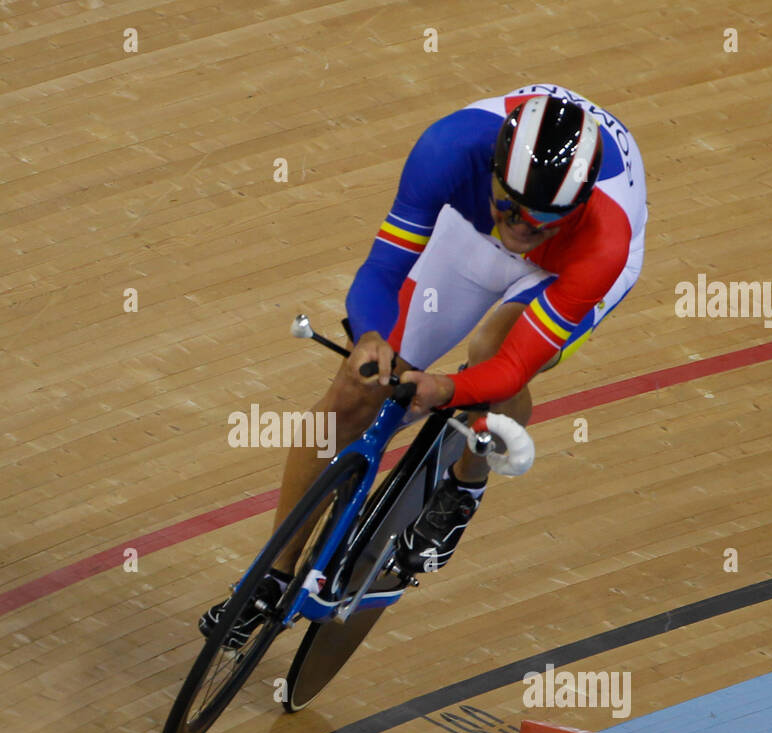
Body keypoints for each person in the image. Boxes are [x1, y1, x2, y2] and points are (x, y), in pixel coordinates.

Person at [203, 84, 647, 645]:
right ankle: (271, 574)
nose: (520, 226)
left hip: (563, 272)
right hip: (469, 232)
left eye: (541, 219)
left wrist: (444, 387)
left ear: (577, 209)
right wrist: (369, 339)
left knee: (490, 351)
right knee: (351, 394)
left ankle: (466, 485)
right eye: (509, 204)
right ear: (490, 169)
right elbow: (384, 269)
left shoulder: (605, 241)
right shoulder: (448, 150)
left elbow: (510, 367)